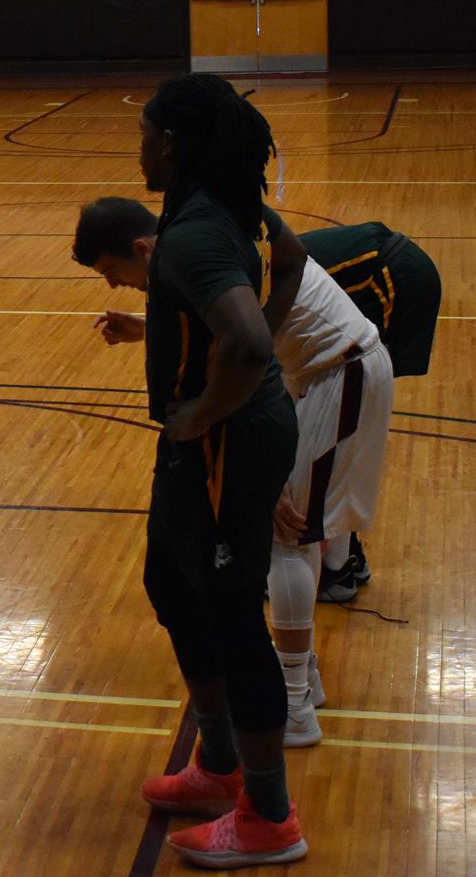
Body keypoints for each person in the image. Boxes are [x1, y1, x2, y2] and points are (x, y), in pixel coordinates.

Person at [70, 72, 305, 867]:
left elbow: (243, 342)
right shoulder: (216, 204)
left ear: (170, 144)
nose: (138, 145)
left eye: (144, 133)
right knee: (170, 583)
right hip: (210, 439)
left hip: (222, 441)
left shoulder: (200, 229)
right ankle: (216, 761)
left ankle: (269, 814)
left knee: (234, 617)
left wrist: (206, 411)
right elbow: (293, 255)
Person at [77, 195, 398, 752]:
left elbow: (245, 354)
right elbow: (229, 328)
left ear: (141, 248)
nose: (112, 286)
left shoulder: (192, 256)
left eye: (111, 272)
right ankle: (304, 681)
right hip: (320, 375)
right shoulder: (199, 242)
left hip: (338, 373)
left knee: (288, 537)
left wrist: (259, 465)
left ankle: (295, 705)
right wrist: (145, 328)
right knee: (289, 536)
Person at [298, 222, 441, 602]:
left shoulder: (251, 282)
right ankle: (344, 558)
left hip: (395, 280)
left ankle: (336, 568)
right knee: (347, 428)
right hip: (401, 270)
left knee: (337, 433)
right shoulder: (248, 261)